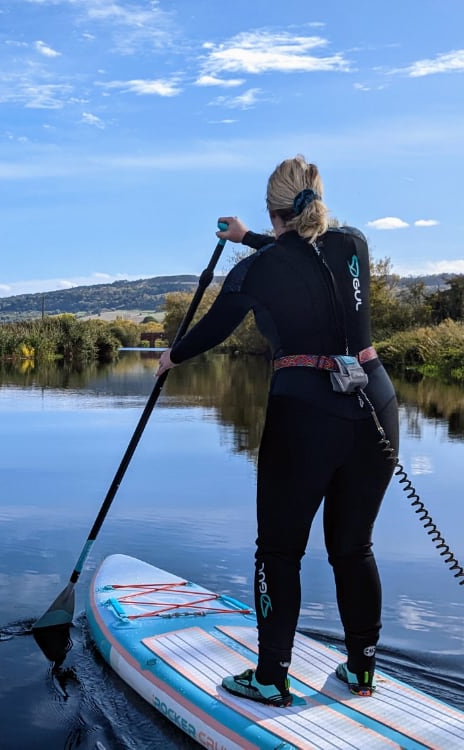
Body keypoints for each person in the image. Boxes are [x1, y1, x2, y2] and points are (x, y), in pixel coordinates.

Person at [155, 155, 399, 707]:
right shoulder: (354, 244)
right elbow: (303, 257)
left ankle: (271, 677)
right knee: (353, 546)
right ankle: (361, 671)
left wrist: (173, 355)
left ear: (274, 211)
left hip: (305, 412)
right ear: (316, 201)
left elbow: (215, 328)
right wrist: (250, 238)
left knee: (279, 551)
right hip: (375, 402)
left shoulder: (257, 271)